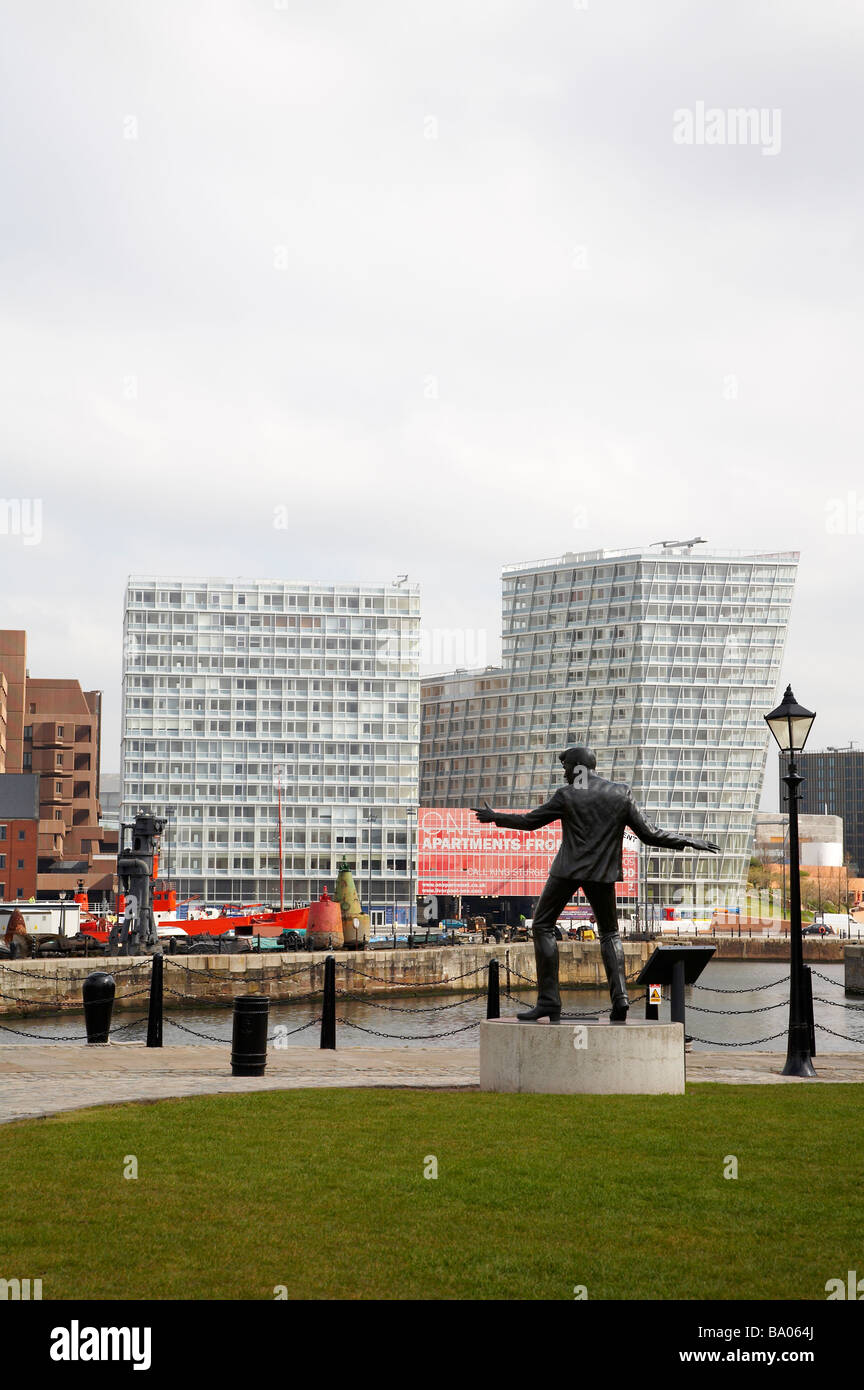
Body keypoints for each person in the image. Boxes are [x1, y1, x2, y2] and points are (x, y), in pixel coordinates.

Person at [474, 745, 718, 1023]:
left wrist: (496, 818)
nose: (564, 773)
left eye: (566, 767)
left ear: (578, 767)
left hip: (567, 870)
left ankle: (549, 1002)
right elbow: (650, 835)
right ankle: (621, 998)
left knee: (542, 926)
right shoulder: (620, 793)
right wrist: (687, 840)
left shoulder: (567, 795)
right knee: (610, 934)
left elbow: (530, 822)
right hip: (602, 873)